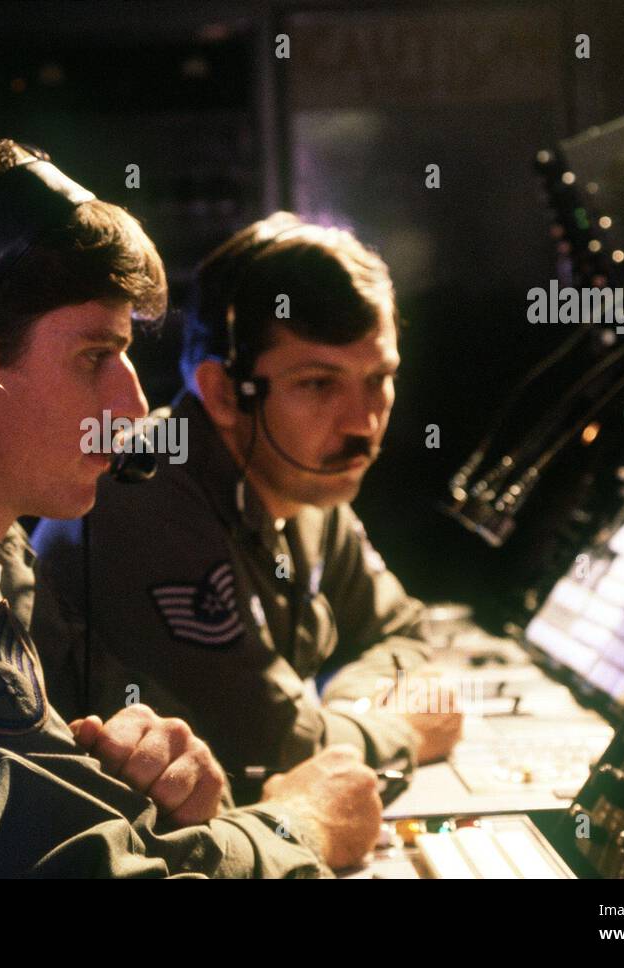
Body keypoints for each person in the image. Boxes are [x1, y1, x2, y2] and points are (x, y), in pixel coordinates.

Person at [0, 139, 383, 876]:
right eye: (94, 357)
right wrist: (301, 827)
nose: (133, 406)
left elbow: (118, 797)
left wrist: (159, 766)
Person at [34, 212, 463, 790]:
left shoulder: (304, 481)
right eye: (319, 383)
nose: (363, 422)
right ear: (221, 393)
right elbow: (270, 750)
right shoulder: (140, 496)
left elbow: (403, 635)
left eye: (378, 378)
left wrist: (354, 714)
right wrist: (402, 731)